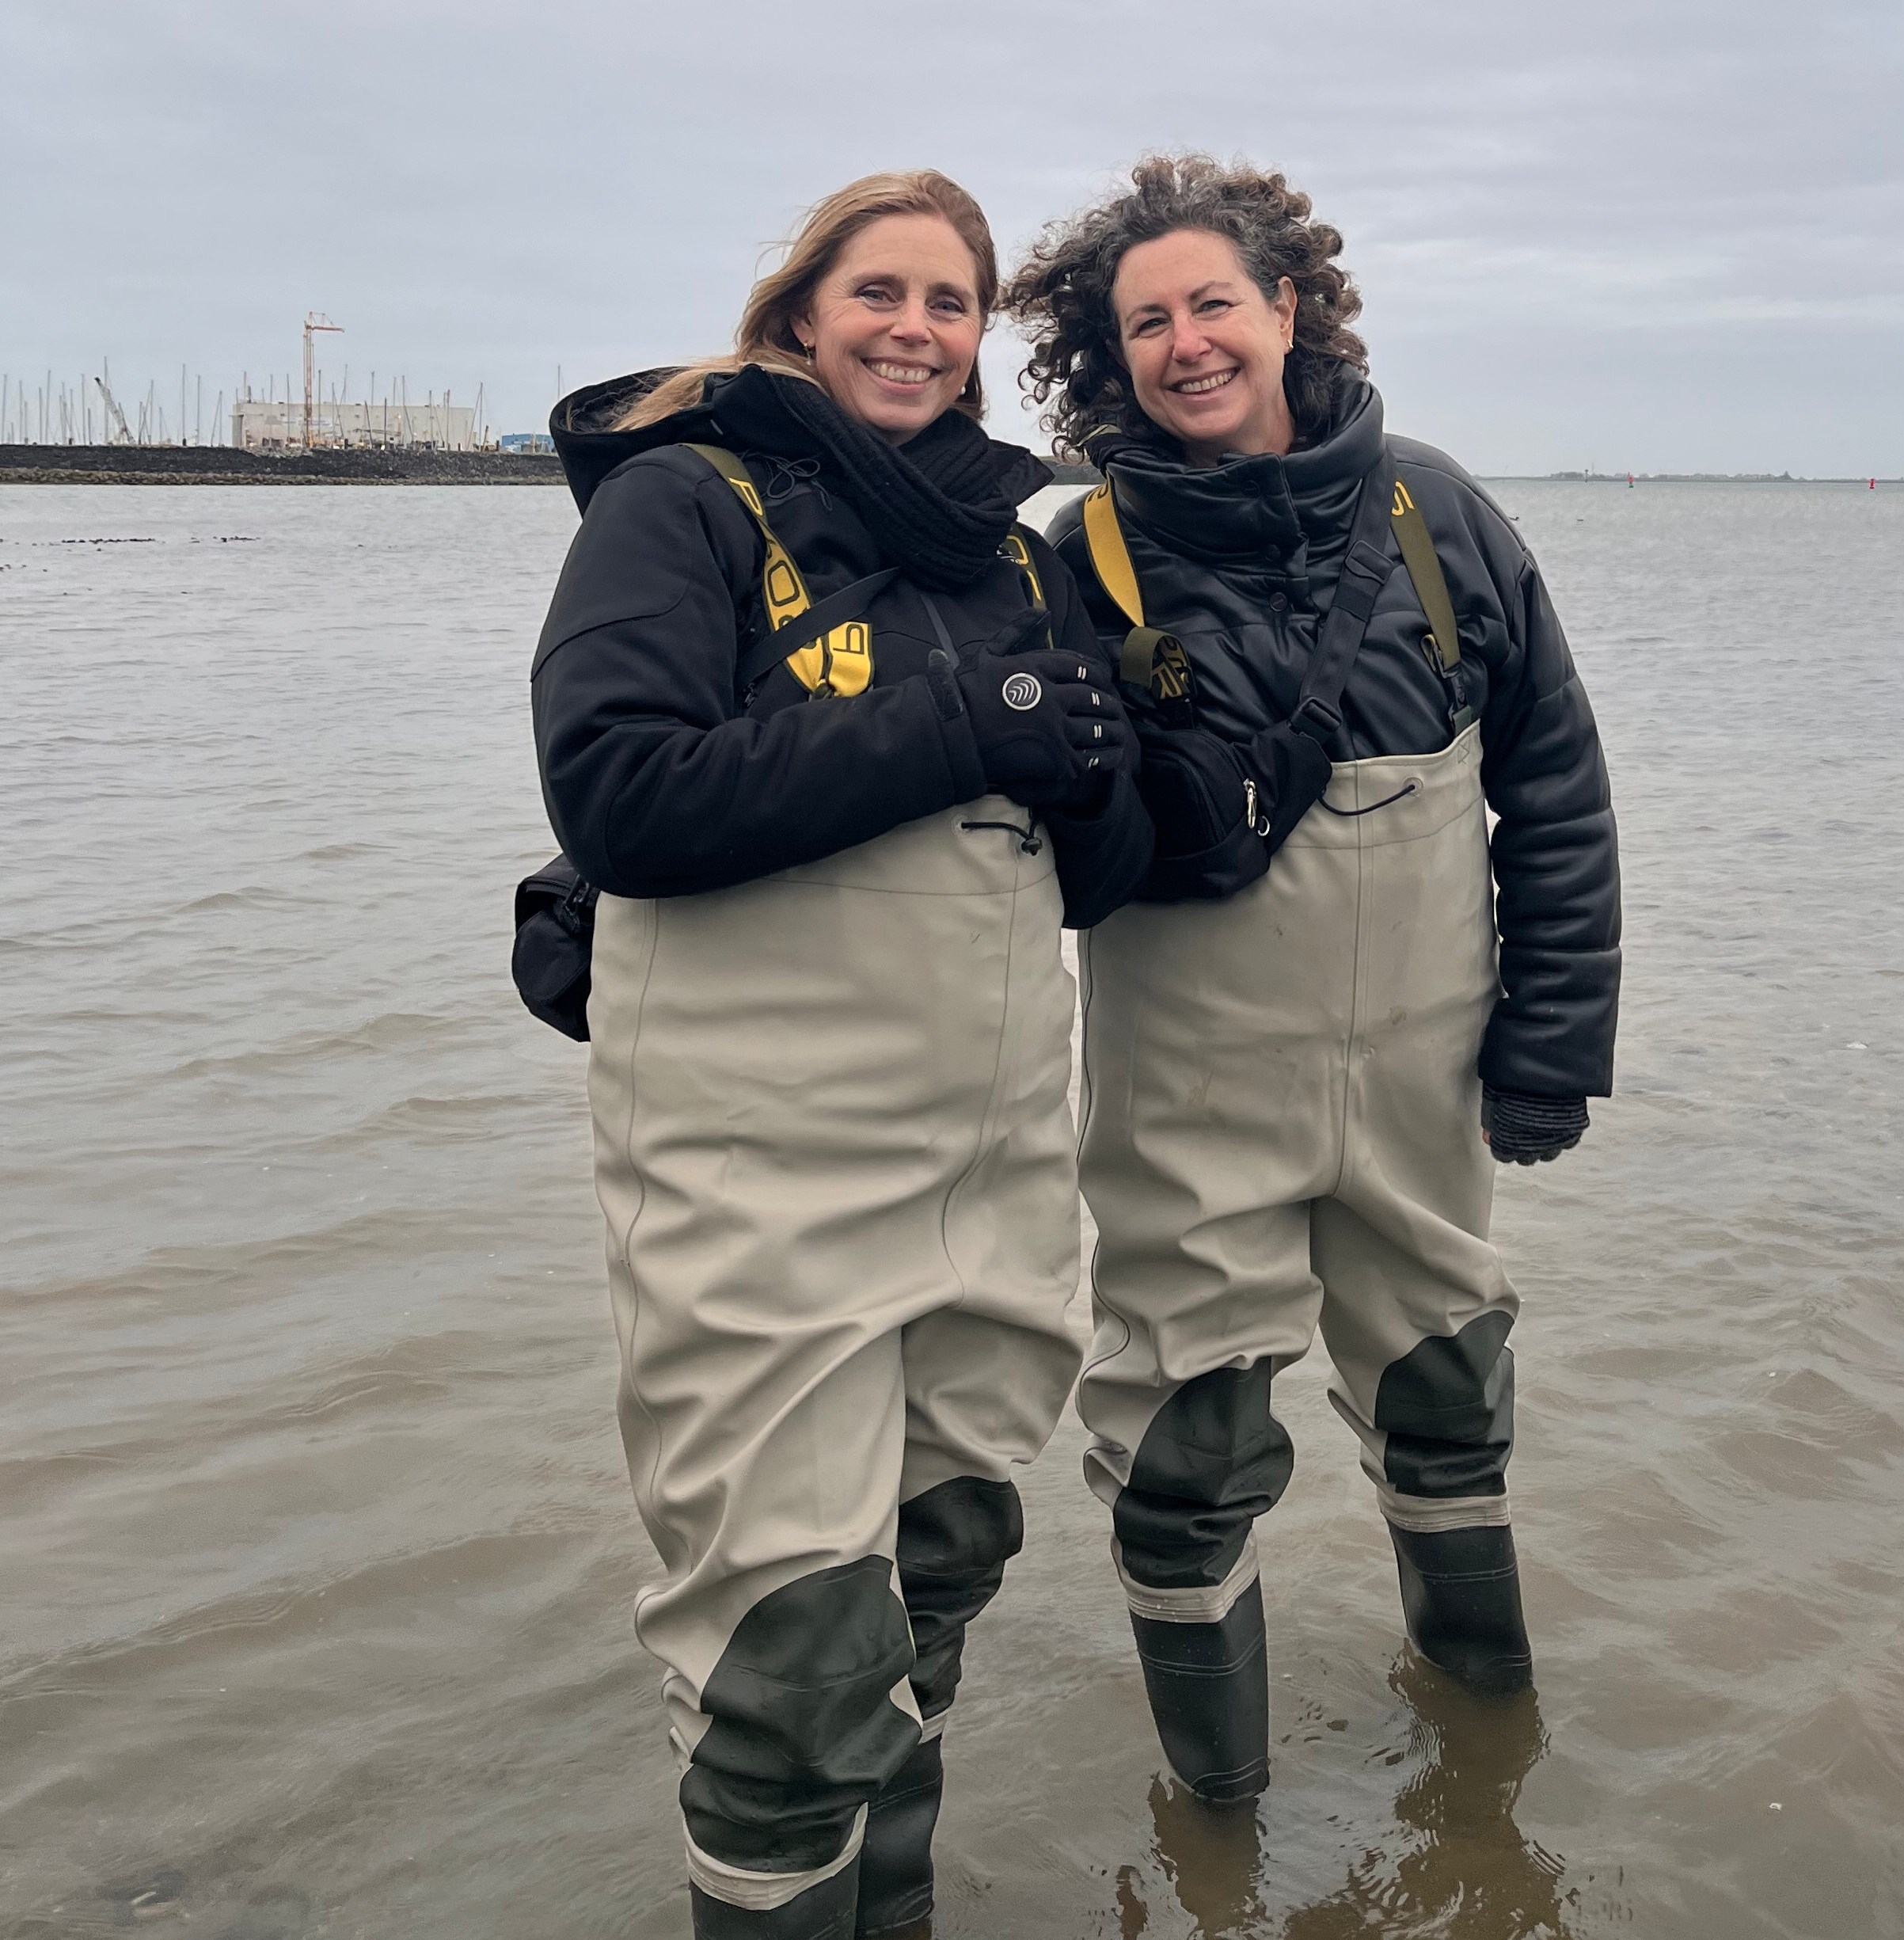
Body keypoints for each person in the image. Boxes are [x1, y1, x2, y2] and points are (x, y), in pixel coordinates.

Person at [531, 170, 1150, 1938]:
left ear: (977, 344)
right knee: (788, 1659)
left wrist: (1111, 777)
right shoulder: (683, 504)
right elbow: (622, 788)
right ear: (800, 312)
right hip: (762, 1184)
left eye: (950, 302)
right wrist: (971, 717)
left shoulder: (1021, 558)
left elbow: (1092, 874)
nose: (914, 327)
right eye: (879, 290)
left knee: (935, 1577)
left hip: (995, 1184)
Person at [1005, 155, 1621, 1803]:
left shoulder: (1441, 513)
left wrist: (1552, 1041)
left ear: (1287, 307)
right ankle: (1220, 1821)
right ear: (1105, 352)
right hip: (1187, 1088)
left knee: (1446, 1389)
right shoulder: (1077, 555)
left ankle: (1490, 1771)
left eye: (1214, 302)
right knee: (1183, 1448)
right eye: (1147, 321)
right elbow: (999, 806)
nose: (1187, 343)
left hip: (1425, 1072)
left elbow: (1553, 786)